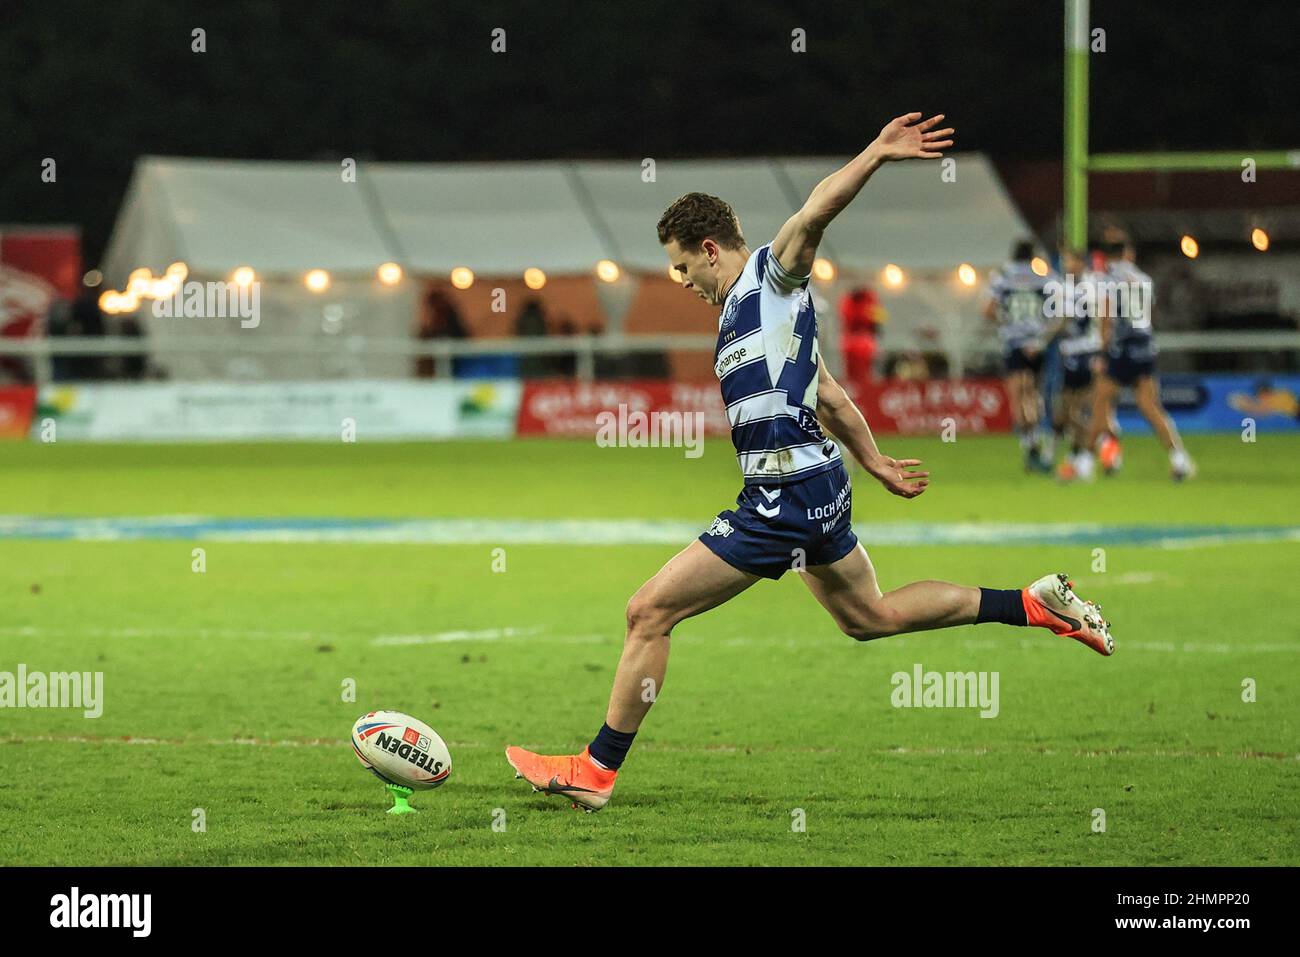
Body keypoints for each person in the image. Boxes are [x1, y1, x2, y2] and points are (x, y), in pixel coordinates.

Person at [505, 113, 1113, 813]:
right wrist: (876, 460)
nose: (678, 279)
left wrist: (878, 154)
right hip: (820, 484)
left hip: (784, 493)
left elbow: (814, 210)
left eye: (679, 264)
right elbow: (827, 392)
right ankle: (1033, 603)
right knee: (870, 617)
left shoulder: (771, 276)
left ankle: (596, 770)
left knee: (647, 611)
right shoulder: (755, 317)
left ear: (710, 249)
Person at [1075, 242, 1194, 482]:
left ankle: (1085, 464)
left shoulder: (1106, 279)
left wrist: (1103, 351)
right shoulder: (1144, 279)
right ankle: (1180, 459)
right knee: (1150, 407)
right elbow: (1150, 314)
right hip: (1145, 346)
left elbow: (1106, 317)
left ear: (1108, 256)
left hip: (1123, 348)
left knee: (1100, 402)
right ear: (1128, 254)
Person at [982, 240, 1052, 472]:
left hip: (1013, 342)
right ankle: (1038, 440)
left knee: (1017, 396)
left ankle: (1030, 447)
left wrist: (1006, 322)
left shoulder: (1003, 277)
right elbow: (1055, 308)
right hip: (1036, 343)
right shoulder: (1042, 276)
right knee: (1032, 393)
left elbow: (989, 310)